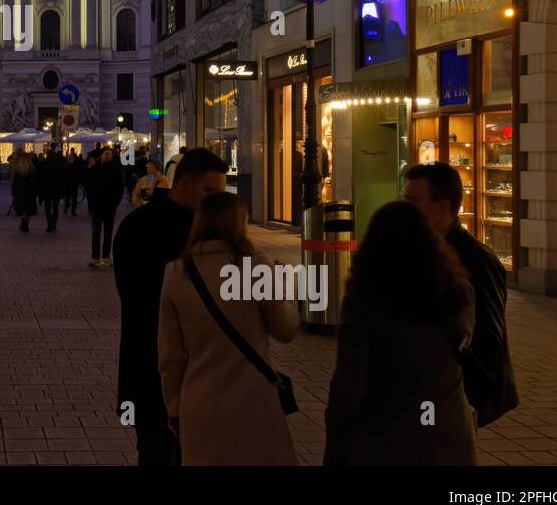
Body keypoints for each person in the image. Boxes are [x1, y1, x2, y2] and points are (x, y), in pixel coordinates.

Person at [324, 200, 477, 465]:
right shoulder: (458, 293)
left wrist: (336, 446)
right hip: (450, 436)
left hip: (387, 443)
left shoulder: (364, 304)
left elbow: (349, 389)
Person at [158, 191, 299, 465]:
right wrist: (284, 288)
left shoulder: (176, 273)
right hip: (254, 401)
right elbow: (285, 329)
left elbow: (170, 356)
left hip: (200, 401)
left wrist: (175, 408)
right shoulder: (255, 267)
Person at [112, 148, 228, 465]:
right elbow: (141, 302)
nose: (215, 200)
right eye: (210, 191)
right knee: (158, 451)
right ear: (185, 184)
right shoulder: (140, 228)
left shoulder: (209, 231)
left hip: (198, 371)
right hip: (154, 367)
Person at [403, 162, 518, 427]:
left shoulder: (475, 260)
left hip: (452, 395)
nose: (405, 209)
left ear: (442, 207)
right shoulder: (421, 247)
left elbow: (487, 341)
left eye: (413, 201)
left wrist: (465, 398)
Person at [84, 145, 125, 265]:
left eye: (110, 154)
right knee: (96, 231)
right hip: (96, 205)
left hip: (110, 206)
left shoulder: (115, 169)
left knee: (108, 232)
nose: (108, 155)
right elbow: (89, 187)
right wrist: (91, 202)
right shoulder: (94, 169)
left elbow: (120, 188)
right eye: (106, 153)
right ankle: (95, 257)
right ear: (102, 155)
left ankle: (106, 256)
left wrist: (115, 203)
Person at [37, 145, 66, 232]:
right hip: (56, 189)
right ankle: (54, 224)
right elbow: (62, 178)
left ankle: (50, 224)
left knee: (47, 207)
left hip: (47, 189)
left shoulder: (44, 164)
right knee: (55, 207)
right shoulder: (58, 164)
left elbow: (41, 178)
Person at [10, 151, 38, 233]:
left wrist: (14, 192)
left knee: (22, 209)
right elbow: (36, 182)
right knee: (28, 210)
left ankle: (23, 223)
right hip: (29, 192)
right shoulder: (32, 169)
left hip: (20, 192)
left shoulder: (18, 170)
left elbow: (15, 183)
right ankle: (26, 224)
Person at [63, 148, 85, 216]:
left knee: (73, 198)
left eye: (71, 158)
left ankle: (72, 210)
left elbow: (78, 174)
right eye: (69, 158)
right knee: (68, 197)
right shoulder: (66, 165)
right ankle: (68, 207)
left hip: (73, 183)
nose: (70, 159)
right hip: (69, 184)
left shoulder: (73, 165)